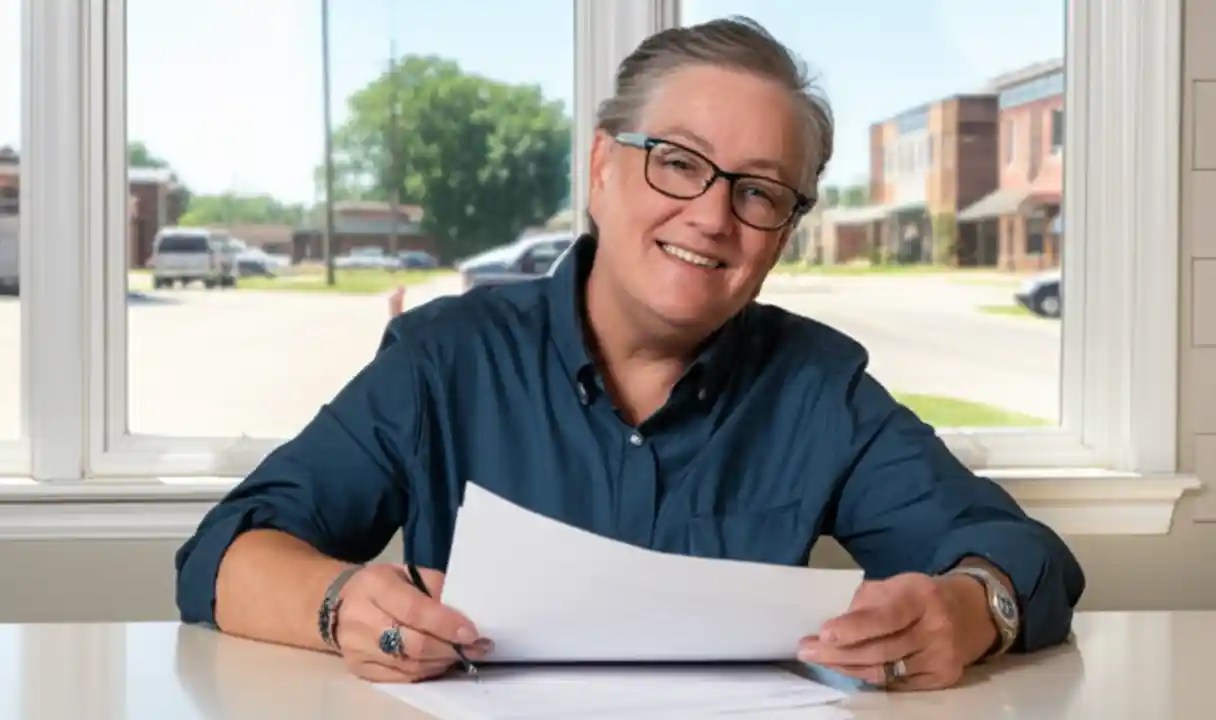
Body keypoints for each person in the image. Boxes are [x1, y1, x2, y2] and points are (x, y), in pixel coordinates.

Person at [174, 16, 1084, 692]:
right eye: (679, 163)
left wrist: (969, 610)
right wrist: (341, 607)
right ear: (603, 168)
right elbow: (222, 555)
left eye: (761, 191)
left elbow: (1017, 549)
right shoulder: (443, 360)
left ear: (785, 230)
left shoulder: (816, 387)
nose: (712, 215)